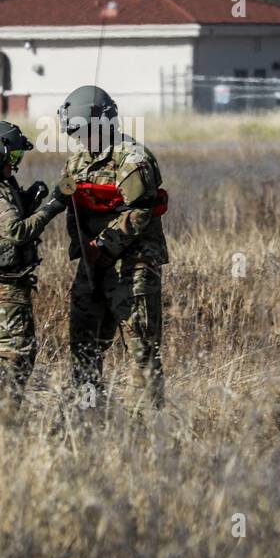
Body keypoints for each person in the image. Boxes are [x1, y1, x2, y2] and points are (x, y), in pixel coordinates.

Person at [56, 86, 169, 410]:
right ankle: (89, 413)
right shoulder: (76, 162)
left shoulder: (133, 159)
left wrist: (104, 245)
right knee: (84, 347)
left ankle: (151, 422)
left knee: (142, 349)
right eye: (73, 133)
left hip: (132, 268)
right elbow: (64, 199)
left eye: (83, 131)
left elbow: (141, 211)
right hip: (91, 269)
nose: (79, 139)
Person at [0, 120, 68, 406]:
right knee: (15, 353)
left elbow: (6, 222)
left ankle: (5, 412)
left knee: (21, 351)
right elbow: (17, 231)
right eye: (13, 157)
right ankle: (3, 416)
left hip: (6, 281)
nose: (15, 164)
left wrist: (31, 200)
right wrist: (52, 207)